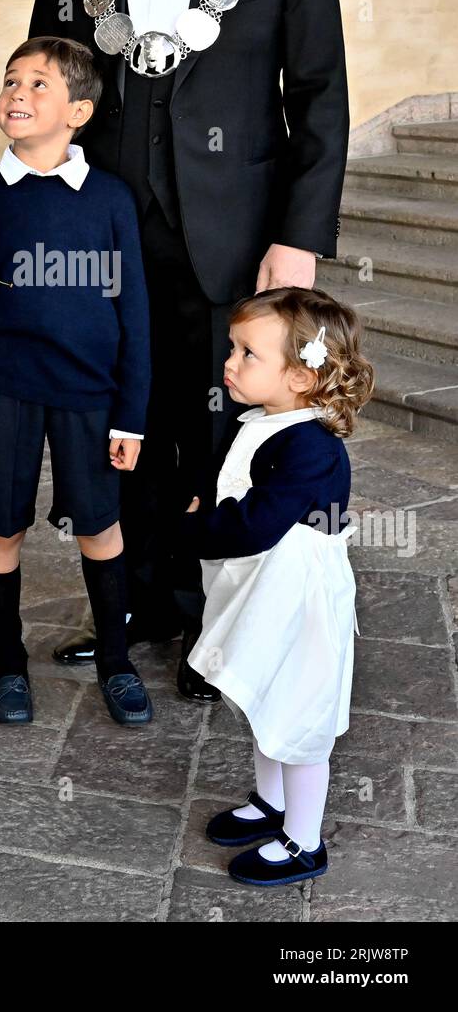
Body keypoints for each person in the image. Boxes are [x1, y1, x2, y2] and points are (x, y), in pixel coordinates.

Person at [28, 0, 350, 701]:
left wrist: (297, 238)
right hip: (110, 241)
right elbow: (49, 84)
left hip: (242, 242)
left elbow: (323, 94)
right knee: (124, 426)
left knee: (224, 440)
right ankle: (131, 610)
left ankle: (226, 629)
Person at [0, 36, 154, 726]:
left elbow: (135, 315)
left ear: (79, 111)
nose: (17, 94)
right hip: (3, 388)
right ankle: (8, 663)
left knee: (99, 523)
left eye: (38, 84)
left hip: (90, 393)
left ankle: (117, 660)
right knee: (0, 524)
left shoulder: (110, 200)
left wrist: (131, 415)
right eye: (11, 81)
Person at [189, 287, 374, 886]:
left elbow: (255, 524)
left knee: (298, 717)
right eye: (233, 347)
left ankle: (304, 840)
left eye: (248, 353)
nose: (230, 362)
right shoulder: (269, 420)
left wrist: (187, 530)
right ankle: (272, 804)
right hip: (264, 589)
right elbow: (238, 491)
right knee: (267, 699)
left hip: (298, 600)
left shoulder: (311, 444)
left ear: (299, 375)